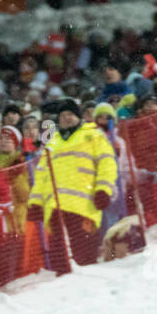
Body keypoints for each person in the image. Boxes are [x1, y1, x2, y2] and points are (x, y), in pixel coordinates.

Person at [27, 98, 118, 268]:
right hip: (55, 209)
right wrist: (35, 202)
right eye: (63, 115)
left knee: (85, 257)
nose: (66, 118)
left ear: (78, 117)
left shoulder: (93, 135)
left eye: (70, 114)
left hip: (83, 207)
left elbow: (107, 163)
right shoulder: (52, 143)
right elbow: (41, 175)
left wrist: (103, 189)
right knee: (60, 263)